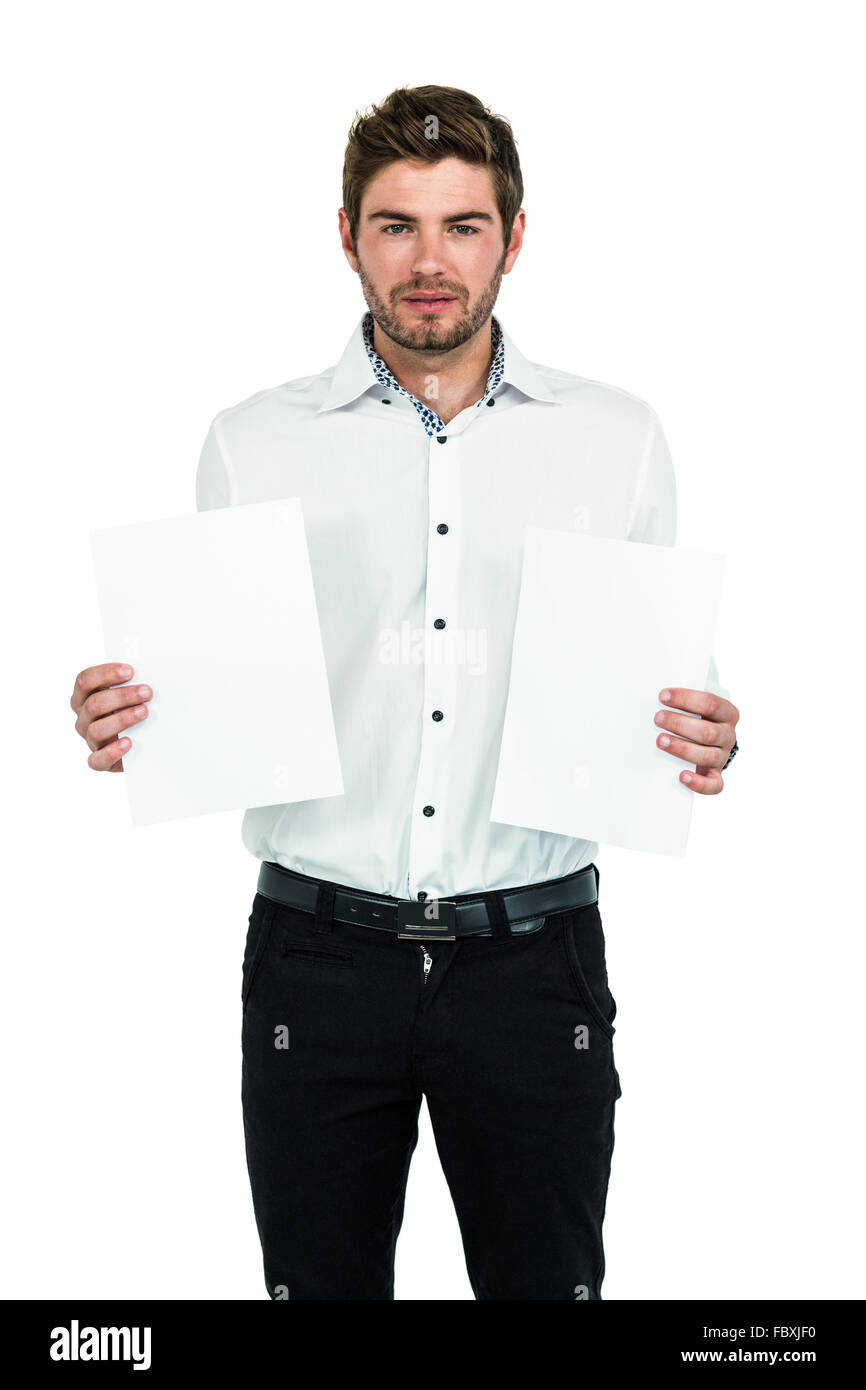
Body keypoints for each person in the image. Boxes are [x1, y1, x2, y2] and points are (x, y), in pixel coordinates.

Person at [70, 84, 740, 1300]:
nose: (429, 263)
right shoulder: (250, 439)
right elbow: (212, 677)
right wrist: (133, 715)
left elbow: (655, 682)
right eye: (394, 226)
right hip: (316, 962)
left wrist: (705, 730)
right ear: (346, 236)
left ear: (514, 236)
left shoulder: (619, 438)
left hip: (533, 962)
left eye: (463, 226)